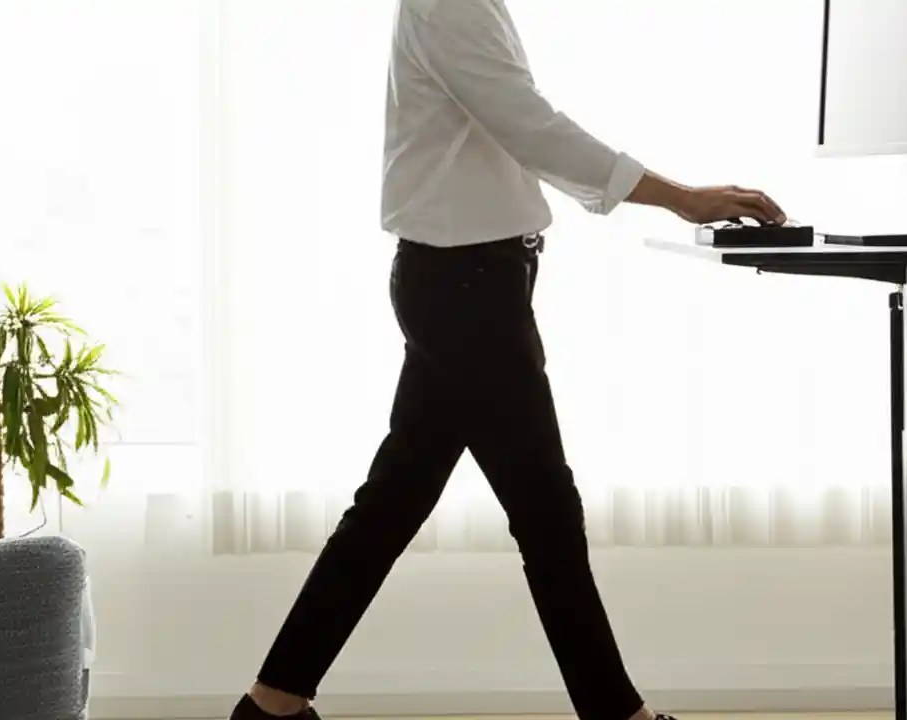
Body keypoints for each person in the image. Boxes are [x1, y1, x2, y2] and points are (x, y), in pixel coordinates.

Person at [230, 1, 785, 719]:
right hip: (468, 294)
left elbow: (519, 128)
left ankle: (271, 705)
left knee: (394, 504)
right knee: (546, 513)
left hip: (466, 286)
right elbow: (531, 127)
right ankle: (619, 715)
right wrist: (679, 196)